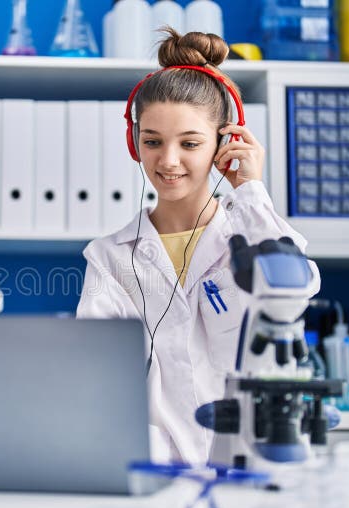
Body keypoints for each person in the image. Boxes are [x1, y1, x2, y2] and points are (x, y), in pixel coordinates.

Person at [76, 29, 318, 465]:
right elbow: (91, 378)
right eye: (152, 141)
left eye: (189, 143)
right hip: (151, 470)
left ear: (224, 145)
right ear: (135, 144)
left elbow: (294, 292)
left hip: (247, 461)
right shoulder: (109, 258)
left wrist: (252, 193)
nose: (168, 160)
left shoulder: (251, 236)